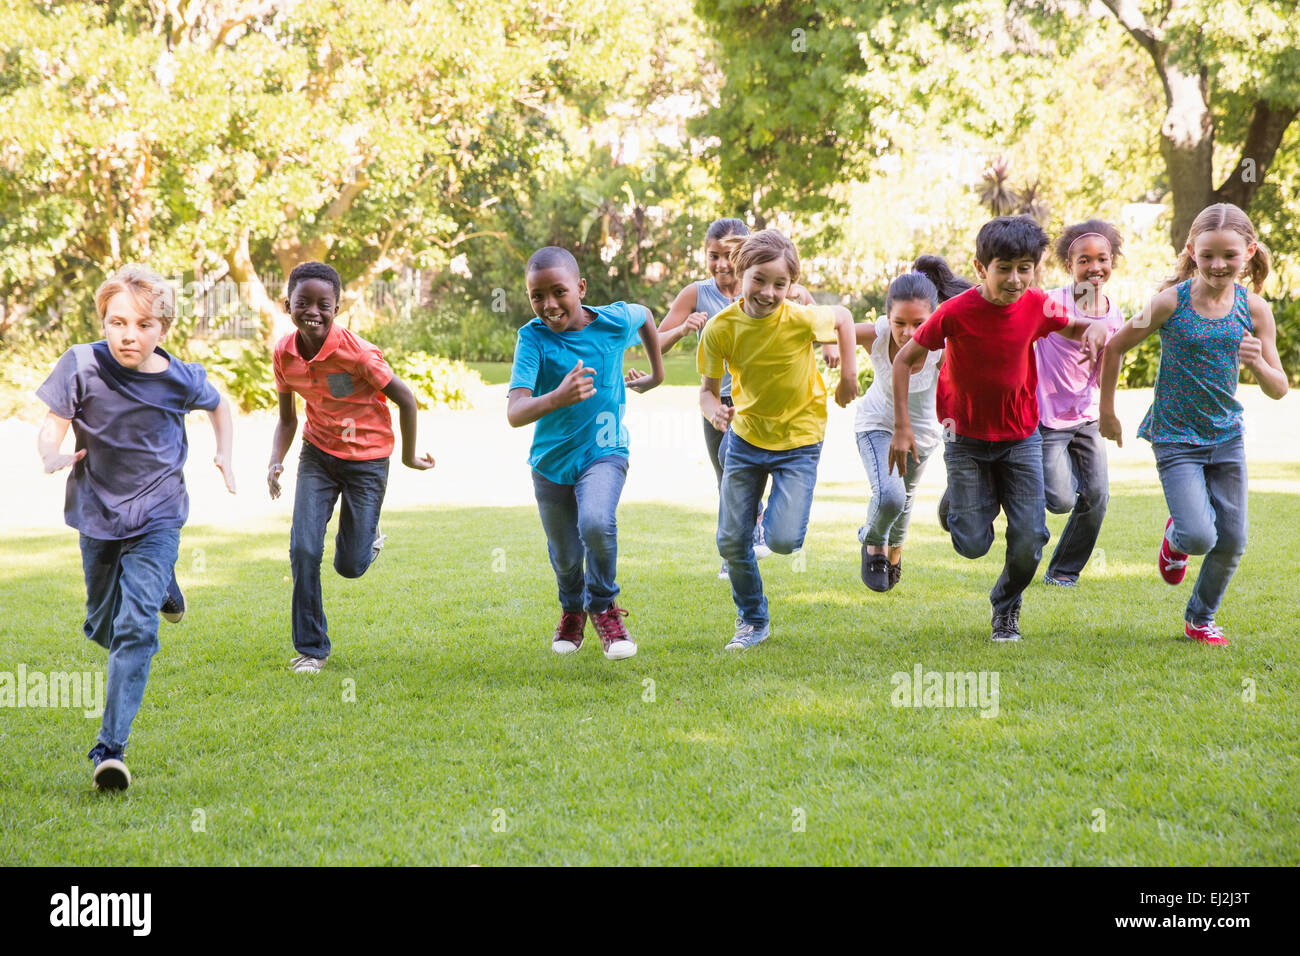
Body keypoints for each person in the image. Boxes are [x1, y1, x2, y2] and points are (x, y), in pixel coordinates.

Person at [36, 265, 235, 791]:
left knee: (135, 627)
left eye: (144, 324)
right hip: (97, 515)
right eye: (117, 321)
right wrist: (50, 453)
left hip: (159, 515)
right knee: (102, 624)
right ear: (103, 319)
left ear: (162, 329)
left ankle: (111, 749)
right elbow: (53, 422)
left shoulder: (180, 377)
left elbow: (220, 407)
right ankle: (166, 588)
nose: (129, 334)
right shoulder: (79, 364)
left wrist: (225, 456)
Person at [890, 216, 1108, 642]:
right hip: (964, 439)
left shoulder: (1038, 306)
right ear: (980, 267)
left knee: (1030, 540)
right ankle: (960, 503)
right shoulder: (954, 312)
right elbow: (903, 360)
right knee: (971, 543)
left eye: (1025, 267)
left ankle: (1005, 608)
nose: (1014, 278)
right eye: (1003, 268)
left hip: (1021, 437)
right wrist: (902, 427)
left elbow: (1077, 326)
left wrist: (1095, 326)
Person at [1099, 203, 1288, 646]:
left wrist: (1258, 364)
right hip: (1175, 438)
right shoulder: (1170, 302)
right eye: (1208, 255)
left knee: (1234, 538)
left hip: (1225, 438)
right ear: (1191, 251)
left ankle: (1200, 618)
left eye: (1229, 255)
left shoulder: (1255, 310)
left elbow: (1278, 388)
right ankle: (1177, 536)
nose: (1219, 265)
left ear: (1249, 252)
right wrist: (1107, 411)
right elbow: (1115, 346)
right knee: (1200, 535)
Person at [268, 261, 435, 673]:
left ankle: (368, 535)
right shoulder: (283, 354)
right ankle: (312, 648)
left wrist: (410, 456)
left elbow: (406, 399)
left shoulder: (356, 353)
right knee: (303, 548)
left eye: (323, 304)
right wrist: (275, 460)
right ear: (286, 304)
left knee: (350, 565)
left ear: (337, 308)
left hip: (367, 461)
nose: (313, 311)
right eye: (302, 302)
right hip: (318, 455)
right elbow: (288, 418)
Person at [699, 229, 858, 649]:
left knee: (784, 540)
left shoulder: (800, 318)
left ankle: (768, 508)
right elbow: (707, 391)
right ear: (740, 273)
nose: (768, 292)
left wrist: (847, 378)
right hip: (746, 440)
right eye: (759, 280)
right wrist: (714, 410)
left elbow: (842, 318)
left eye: (780, 284)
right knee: (731, 540)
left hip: (799, 441)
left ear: (791, 285)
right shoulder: (720, 329)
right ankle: (753, 620)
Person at [507, 246, 664, 659]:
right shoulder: (532, 339)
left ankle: (604, 607)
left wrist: (657, 375)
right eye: (536, 296)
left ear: (580, 288)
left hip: (605, 450)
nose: (549, 305)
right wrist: (557, 397)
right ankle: (571, 608)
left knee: (596, 522)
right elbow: (515, 411)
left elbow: (645, 314)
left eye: (558, 292)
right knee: (564, 556)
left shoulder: (612, 321)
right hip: (550, 464)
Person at [658, 217, 819, 577]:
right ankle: (736, 550)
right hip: (720, 402)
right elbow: (656, 339)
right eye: (712, 255)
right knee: (726, 475)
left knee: (736, 465)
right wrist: (683, 329)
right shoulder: (696, 293)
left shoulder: (773, 287)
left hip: (765, 402)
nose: (720, 264)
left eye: (728, 255)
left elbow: (811, 316)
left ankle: (756, 529)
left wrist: (833, 350)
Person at [854, 257, 972, 592]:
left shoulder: (943, 347)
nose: (908, 332)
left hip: (923, 434)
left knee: (905, 497)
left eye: (918, 323)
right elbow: (836, 323)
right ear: (887, 317)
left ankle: (893, 552)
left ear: (934, 316)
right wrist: (841, 354)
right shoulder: (877, 336)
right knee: (889, 495)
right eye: (899, 323)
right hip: (876, 424)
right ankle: (872, 541)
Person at [1035, 220, 1125, 586]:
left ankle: (1063, 572)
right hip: (1047, 419)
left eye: (1102, 259)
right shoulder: (1048, 304)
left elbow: (1107, 367)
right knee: (1059, 500)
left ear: (1112, 262)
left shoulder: (1115, 314)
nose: (1094, 267)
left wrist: (1108, 412)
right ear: (1069, 265)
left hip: (1085, 417)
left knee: (1097, 496)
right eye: (1084, 260)